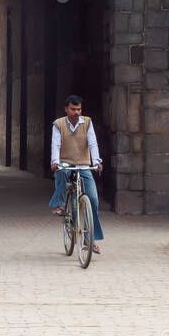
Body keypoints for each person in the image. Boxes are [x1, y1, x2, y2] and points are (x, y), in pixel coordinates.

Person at [49, 95, 104, 253]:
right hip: (66, 162)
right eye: (73, 109)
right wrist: (55, 161)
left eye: (79, 109)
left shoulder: (87, 123)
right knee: (61, 172)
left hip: (83, 164)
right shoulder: (58, 124)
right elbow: (56, 144)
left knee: (92, 199)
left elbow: (93, 142)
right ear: (66, 109)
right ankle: (60, 203)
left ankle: (90, 238)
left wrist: (97, 161)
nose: (76, 112)